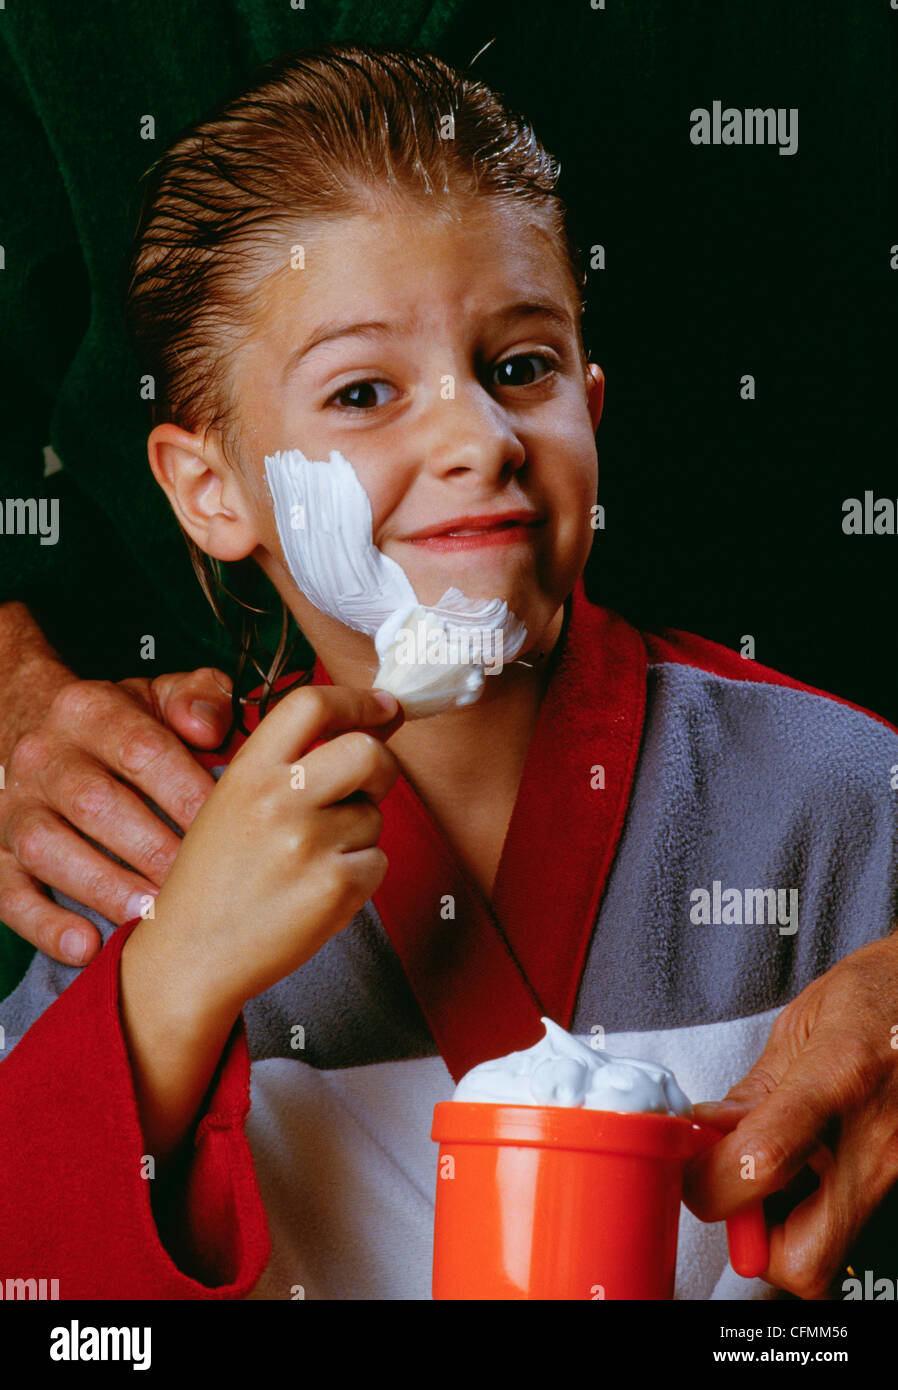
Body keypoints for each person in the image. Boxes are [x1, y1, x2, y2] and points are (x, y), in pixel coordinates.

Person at [1, 42, 898, 1302]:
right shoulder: (137, 865)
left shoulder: (847, 795)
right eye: (364, 390)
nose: (476, 436)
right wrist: (168, 987)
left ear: (590, 402)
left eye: (520, 368)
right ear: (210, 490)